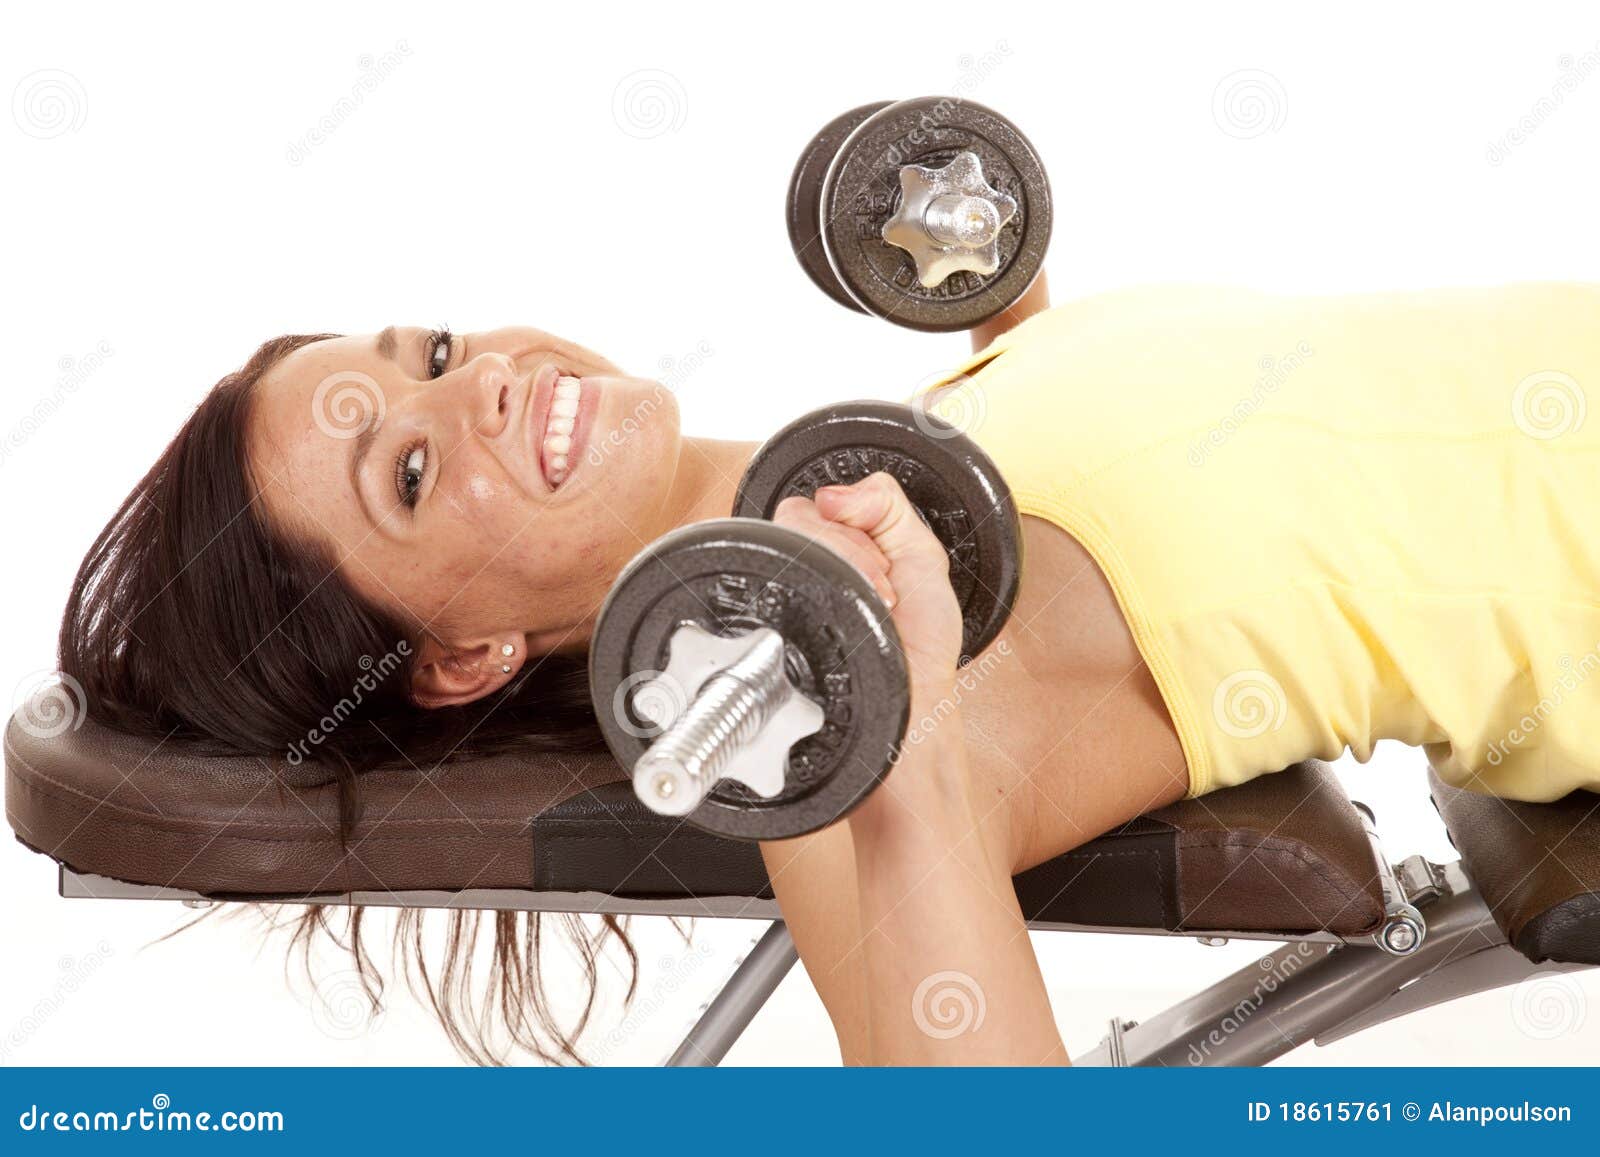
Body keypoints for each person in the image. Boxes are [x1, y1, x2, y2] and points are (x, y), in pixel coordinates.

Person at [58, 273, 1600, 1063]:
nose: (486, 386)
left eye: (437, 352)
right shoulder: (825, 726)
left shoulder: (893, 469)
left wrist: (1013, 310)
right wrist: (911, 752)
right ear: (459, 657)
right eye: (407, 471)